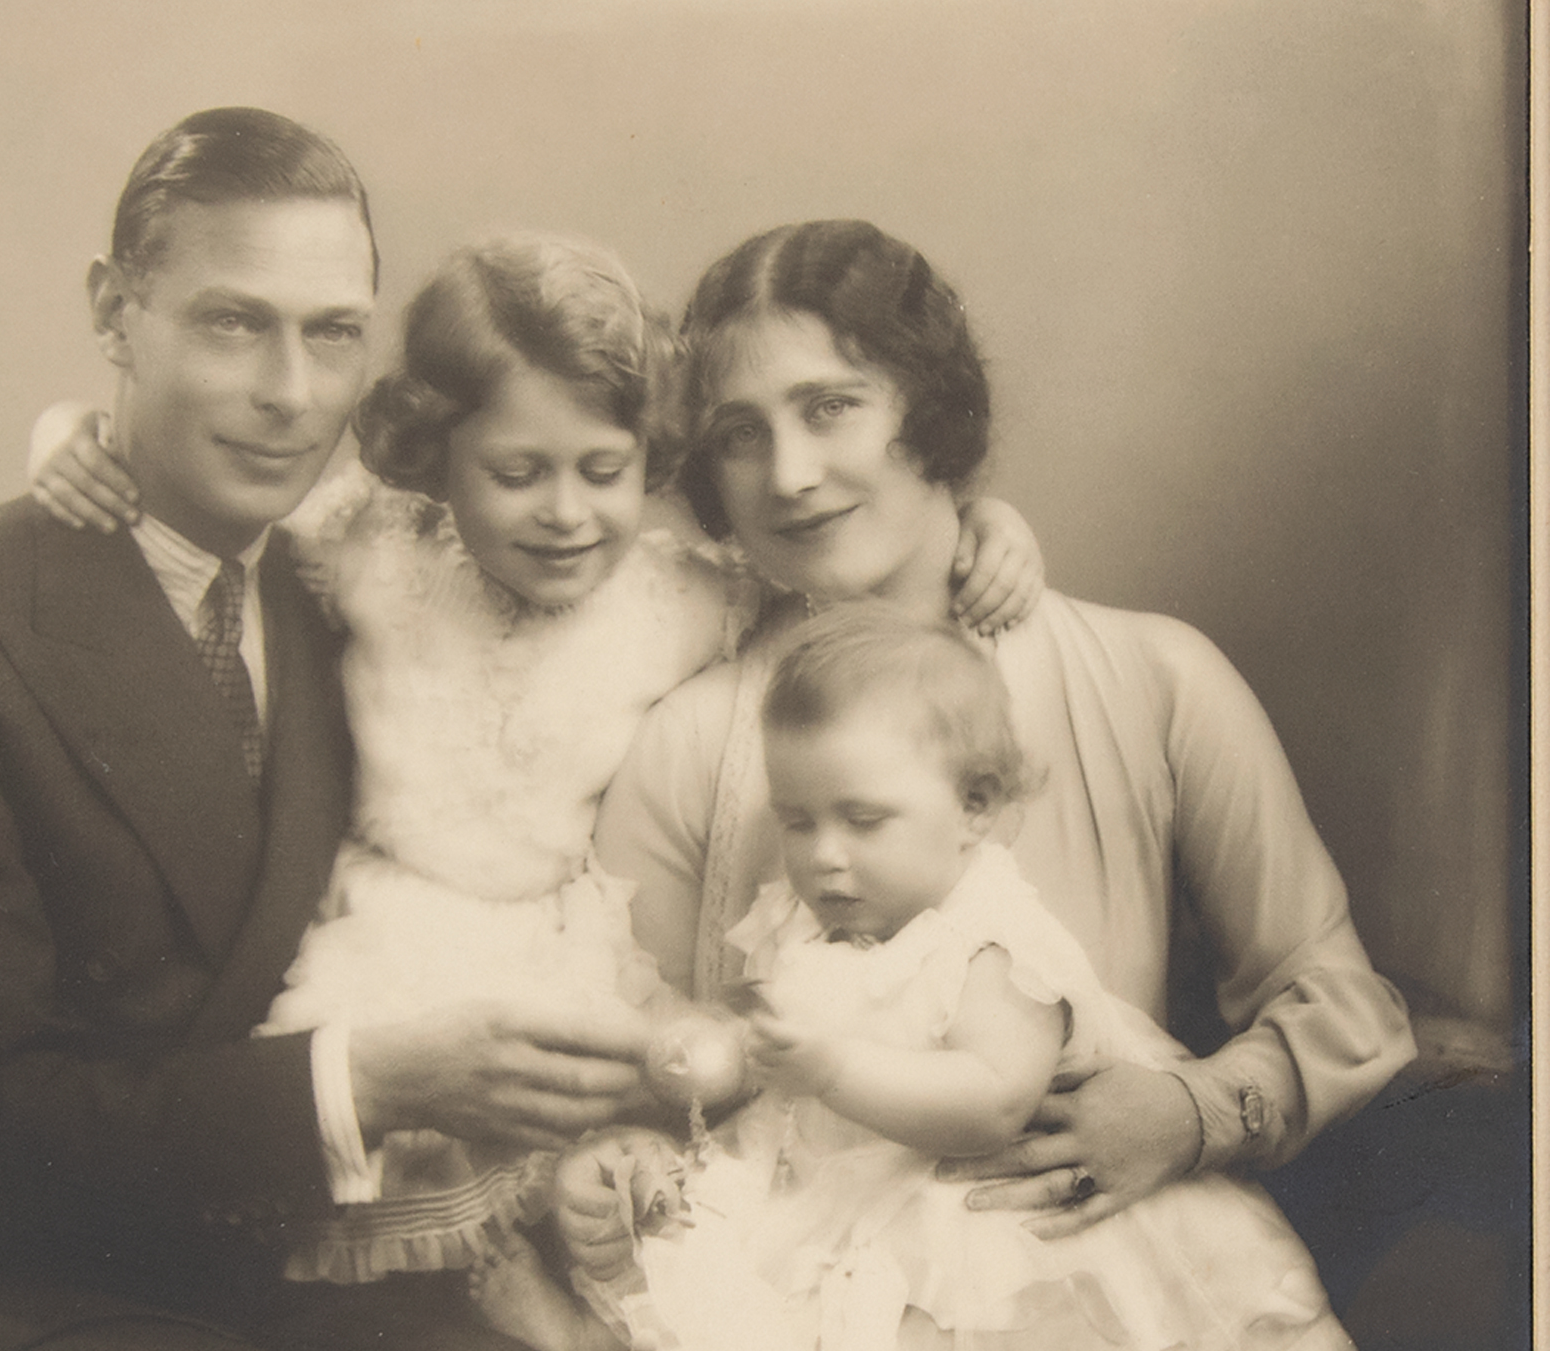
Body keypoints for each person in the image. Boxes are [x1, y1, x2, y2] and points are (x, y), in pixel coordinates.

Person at [0, 109, 697, 1351]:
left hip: (194, 1259)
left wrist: (970, 539)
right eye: (235, 325)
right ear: (115, 314)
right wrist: (374, 1080)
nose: (291, 392)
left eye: (333, 333)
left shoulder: (338, 594)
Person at [24, 235, 1042, 1340]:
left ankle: (579, 1340)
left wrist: (988, 526)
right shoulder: (372, 546)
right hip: (382, 925)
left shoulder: (683, 596)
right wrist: (71, 437)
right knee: (322, 1220)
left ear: (646, 457)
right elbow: (202, 520)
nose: (564, 512)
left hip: (558, 942)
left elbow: (834, 571)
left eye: (602, 472)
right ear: (432, 462)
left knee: (603, 1197)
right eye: (515, 473)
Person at [570, 219, 1414, 1263]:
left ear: (926, 410)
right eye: (740, 434)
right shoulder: (683, 741)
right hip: (797, 1307)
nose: (788, 474)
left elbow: (1342, 1004)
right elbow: (626, 1070)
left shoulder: (1154, 679)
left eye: (831, 407)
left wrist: (1190, 1111)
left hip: (1082, 1304)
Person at [570, 605, 1358, 1351]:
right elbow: (768, 1057)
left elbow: (992, 1098)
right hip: (835, 1197)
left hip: (976, 1225)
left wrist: (829, 1068)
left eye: (863, 819)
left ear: (974, 808)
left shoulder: (993, 940)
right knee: (729, 1311)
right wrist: (715, 1058)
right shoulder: (810, 917)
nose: (824, 857)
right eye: (798, 821)